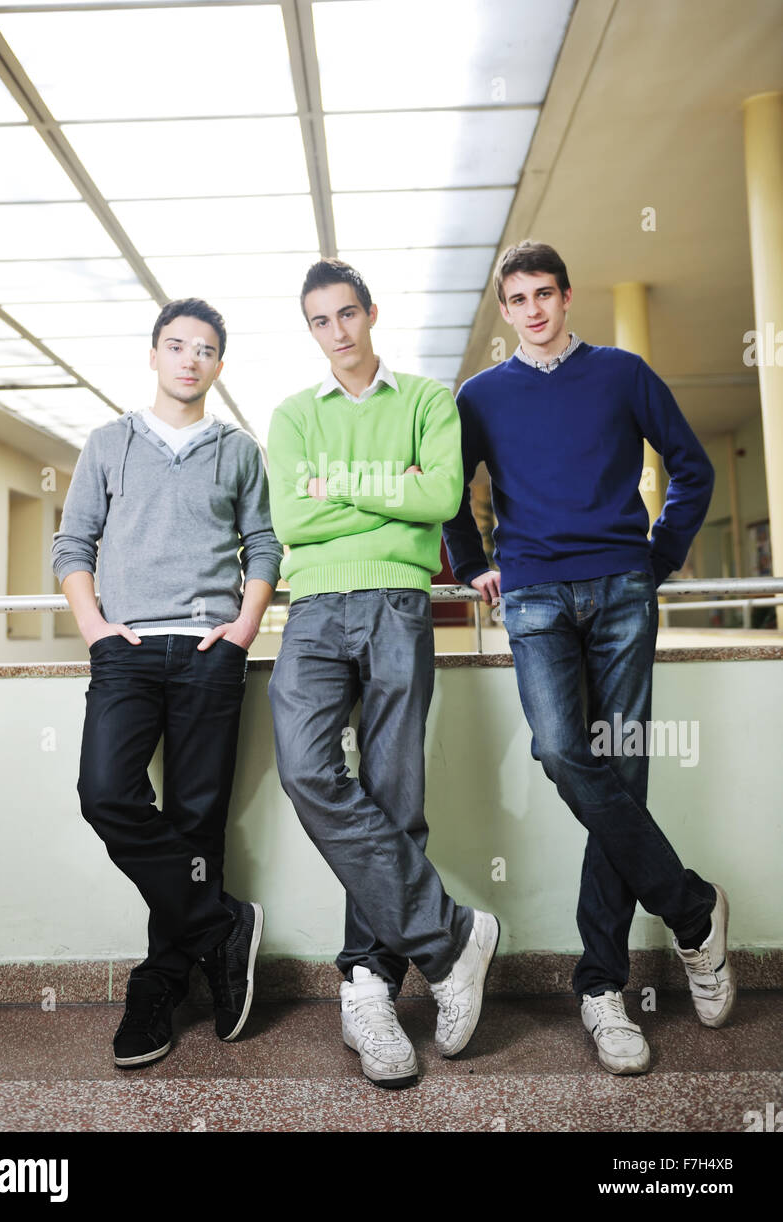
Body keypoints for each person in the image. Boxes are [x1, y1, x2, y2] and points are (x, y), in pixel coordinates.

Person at [443, 240, 735, 1076]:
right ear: (504, 310)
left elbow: (691, 466)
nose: (533, 310)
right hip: (532, 594)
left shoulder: (621, 373)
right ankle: (692, 911)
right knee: (565, 752)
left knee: (621, 767)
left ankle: (601, 988)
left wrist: (659, 557)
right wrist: (473, 565)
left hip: (619, 590)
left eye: (545, 294)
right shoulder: (482, 395)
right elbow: (449, 498)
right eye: (518, 299)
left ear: (567, 298)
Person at [266, 258, 499, 1088]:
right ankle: (450, 939)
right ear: (313, 330)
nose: (339, 333)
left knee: (396, 792)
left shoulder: (429, 401)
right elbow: (291, 515)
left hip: (401, 600)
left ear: (372, 314)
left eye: (348, 315)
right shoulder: (293, 414)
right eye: (321, 321)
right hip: (317, 606)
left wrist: (345, 488)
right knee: (306, 768)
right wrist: (383, 487)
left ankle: (366, 986)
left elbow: (440, 497)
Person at [51, 298, 282, 1067]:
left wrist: (243, 629)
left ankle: (158, 985)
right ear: (153, 355)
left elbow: (263, 546)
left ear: (219, 365)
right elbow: (72, 544)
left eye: (206, 349)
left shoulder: (238, 450)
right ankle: (220, 927)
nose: (190, 358)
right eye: (176, 345)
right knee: (107, 793)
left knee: (197, 819)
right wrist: (95, 628)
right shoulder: (108, 443)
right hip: (128, 649)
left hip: (212, 651)